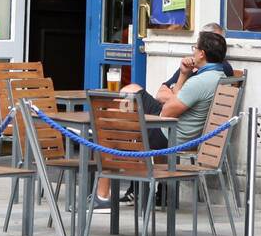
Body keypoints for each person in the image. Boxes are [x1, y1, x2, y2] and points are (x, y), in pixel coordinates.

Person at [94, 29, 228, 206]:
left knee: (110, 130)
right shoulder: (220, 76)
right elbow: (170, 101)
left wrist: (178, 86)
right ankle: (143, 191)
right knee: (131, 91)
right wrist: (182, 74)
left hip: (171, 134)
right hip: (183, 131)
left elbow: (166, 112)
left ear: (202, 54)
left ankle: (103, 197)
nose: (193, 51)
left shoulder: (200, 82)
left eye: (195, 47)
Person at [160, 22, 235, 88]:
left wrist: (174, 88)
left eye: (217, 40)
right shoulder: (190, 63)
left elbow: (182, 98)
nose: (215, 44)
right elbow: (162, 92)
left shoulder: (220, 68)